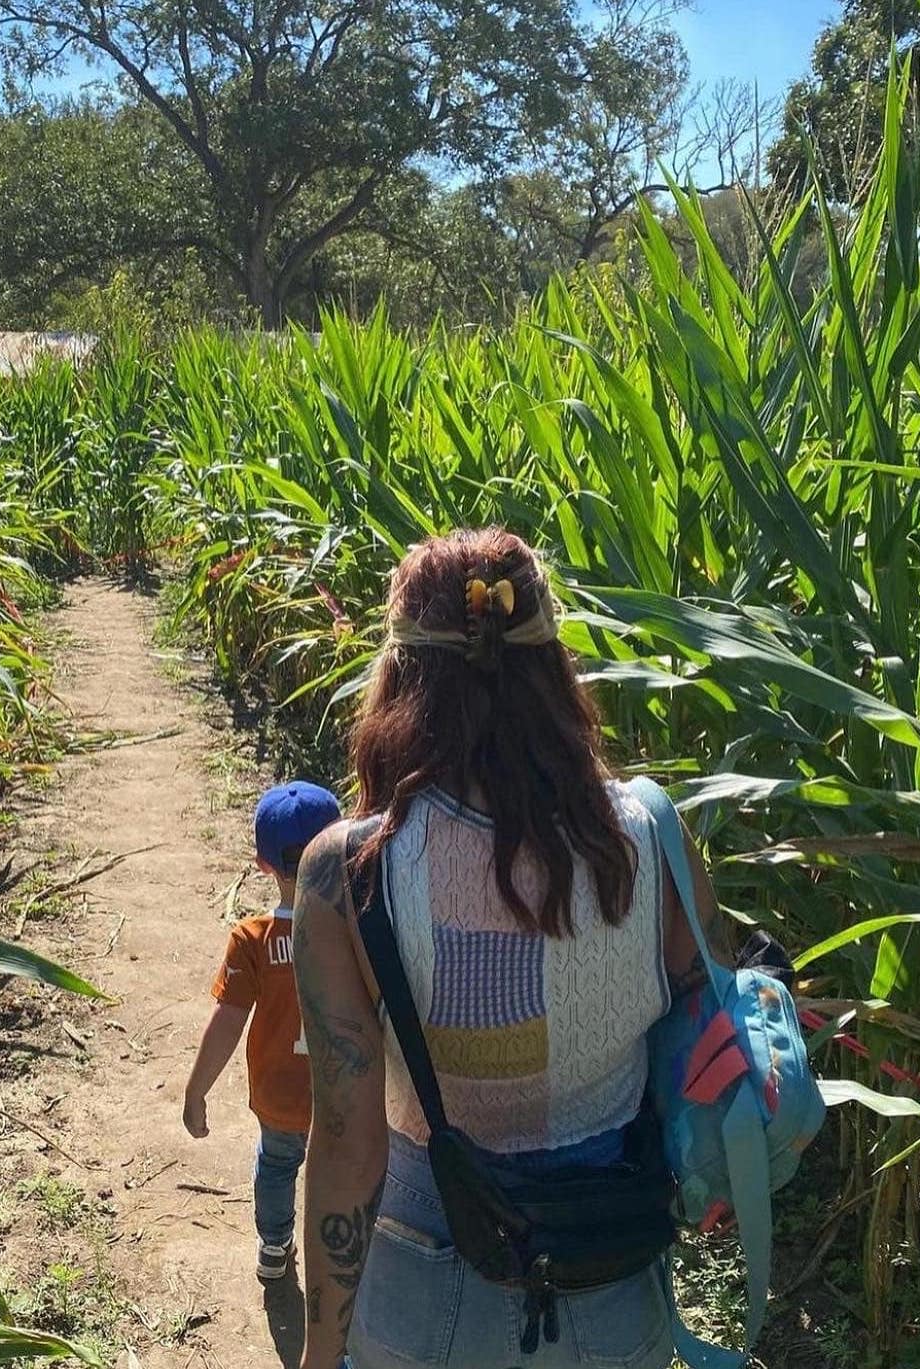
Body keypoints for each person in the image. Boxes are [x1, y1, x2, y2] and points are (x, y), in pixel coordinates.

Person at [292, 528, 729, 1369]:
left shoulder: (347, 871)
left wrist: (318, 1352)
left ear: (400, 675)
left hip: (426, 1280)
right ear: (554, 669)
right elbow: (708, 1026)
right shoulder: (652, 835)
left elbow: (348, 1141)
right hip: (613, 1272)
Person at [184, 779, 343, 1281]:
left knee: (276, 1165)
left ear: (263, 864)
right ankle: (344, 1253)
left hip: (279, 1093)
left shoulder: (252, 939)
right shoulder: (358, 929)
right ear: (342, 850)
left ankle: (274, 1246)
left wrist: (197, 1089)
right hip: (346, 1090)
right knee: (343, 1168)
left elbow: (227, 1020)